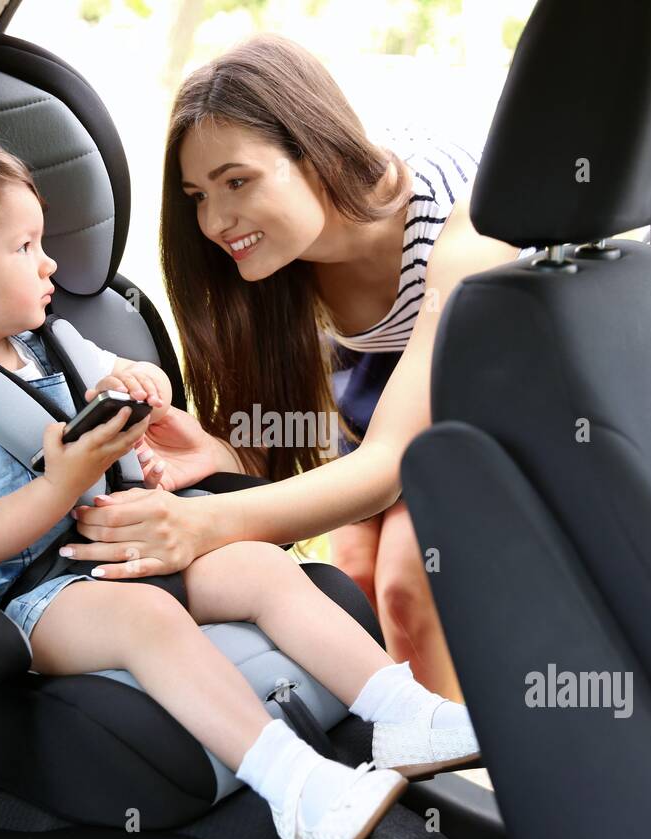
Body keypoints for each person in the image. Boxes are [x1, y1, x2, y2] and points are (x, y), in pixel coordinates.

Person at [0, 132, 481, 839]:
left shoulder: (58, 344)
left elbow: (138, 380)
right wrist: (64, 480)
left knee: (260, 567)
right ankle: (295, 788)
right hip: (37, 599)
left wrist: (146, 390)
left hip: (121, 552)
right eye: (25, 248)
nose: (51, 263)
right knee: (152, 618)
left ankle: (403, 710)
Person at [67, 35, 520, 702]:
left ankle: (455, 782)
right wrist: (222, 453)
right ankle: (407, 757)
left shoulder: (465, 229)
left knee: (406, 574)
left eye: (237, 182)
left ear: (316, 152)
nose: (215, 221)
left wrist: (196, 528)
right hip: (387, 375)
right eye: (197, 194)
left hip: (511, 377)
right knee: (358, 571)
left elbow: (390, 458)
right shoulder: (279, 264)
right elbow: (296, 448)